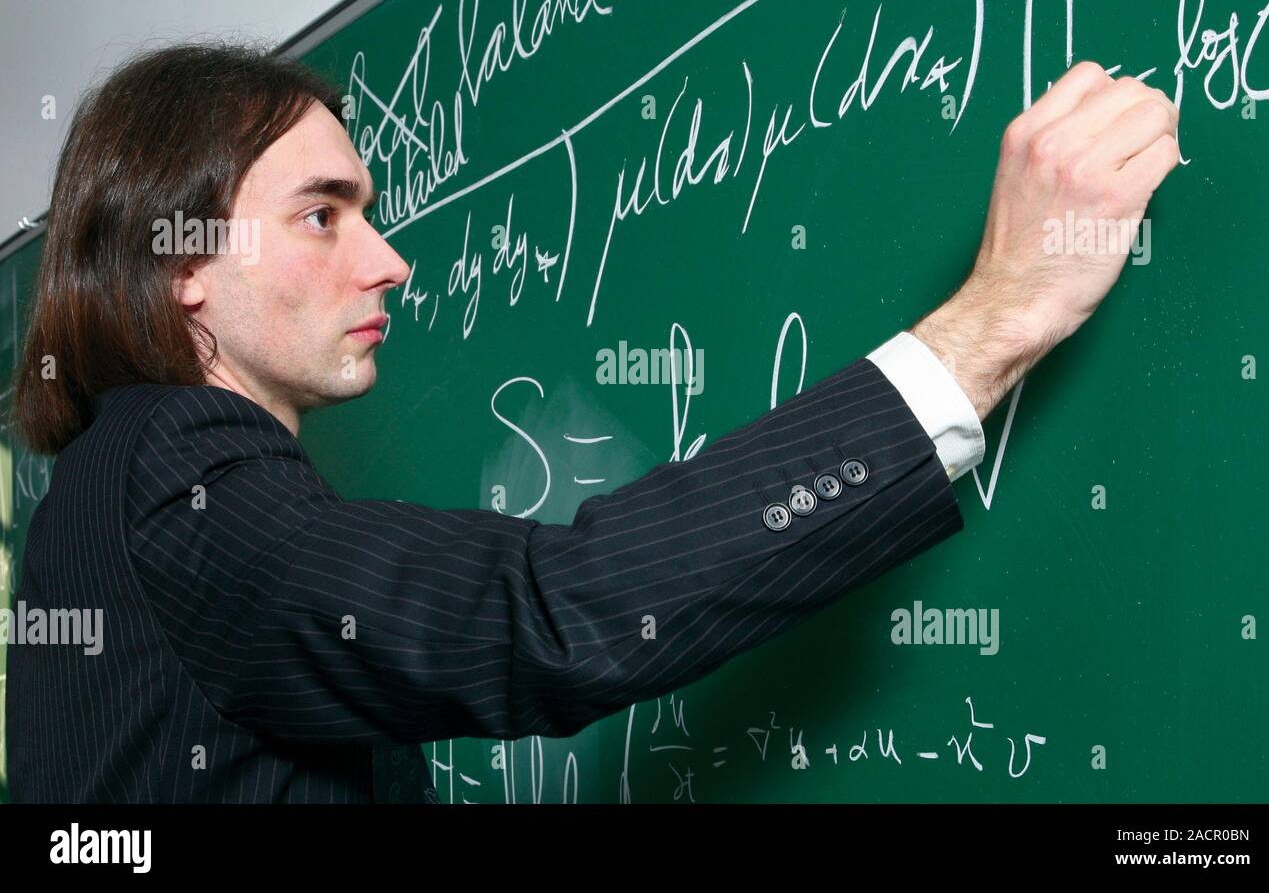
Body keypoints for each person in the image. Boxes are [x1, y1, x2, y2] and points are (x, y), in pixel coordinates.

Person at [4, 44, 1178, 802]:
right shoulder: (176, 467)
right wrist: (994, 320)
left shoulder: (106, 494)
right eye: (323, 215)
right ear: (178, 264)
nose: (390, 260)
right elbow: (550, 616)